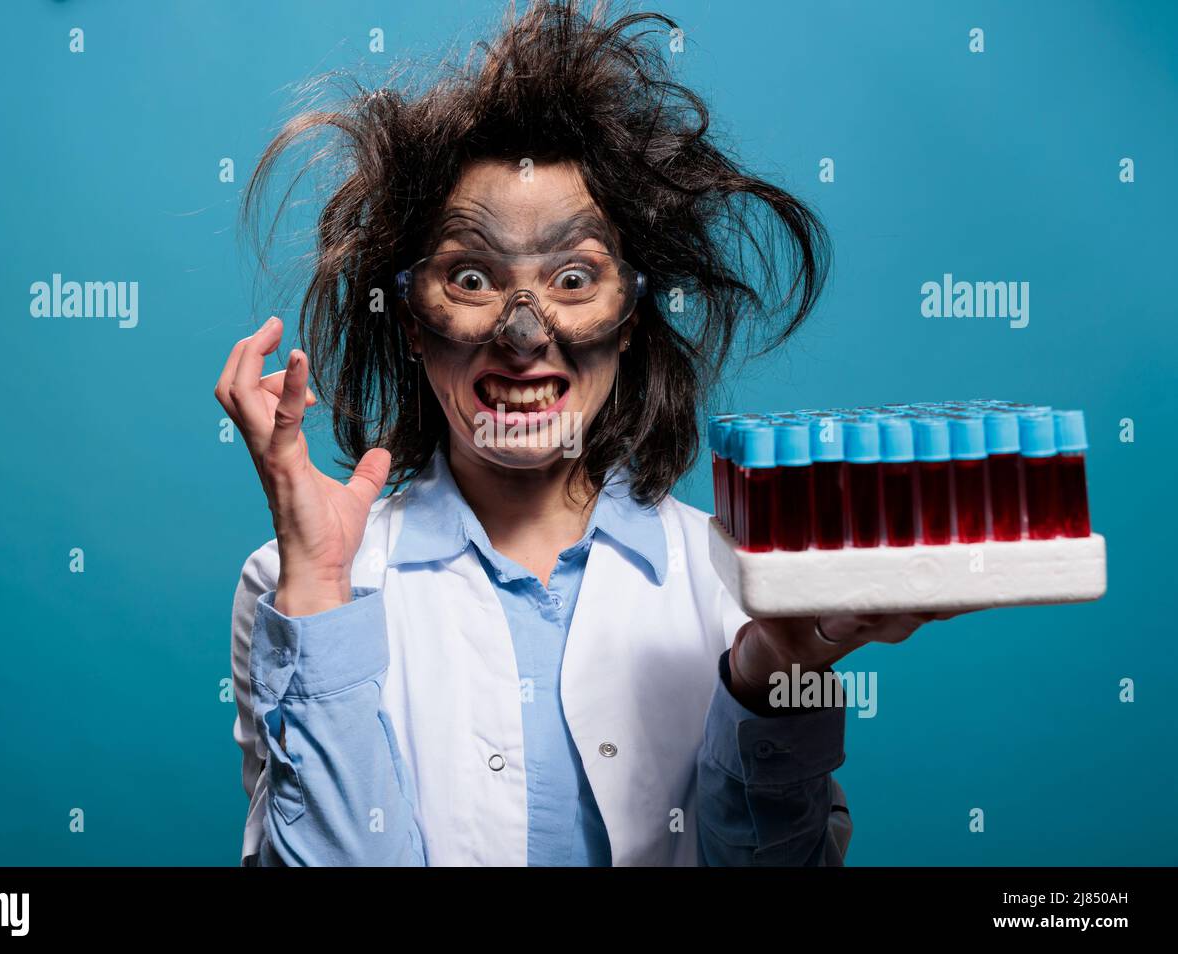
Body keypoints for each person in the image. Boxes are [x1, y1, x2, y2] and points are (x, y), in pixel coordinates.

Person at [218, 0, 950, 866]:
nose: (525, 336)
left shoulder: (734, 586)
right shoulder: (292, 586)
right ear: (411, 320)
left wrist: (771, 672)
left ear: (632, 316)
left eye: (574, 277)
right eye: (470, 277)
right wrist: (319, 587)